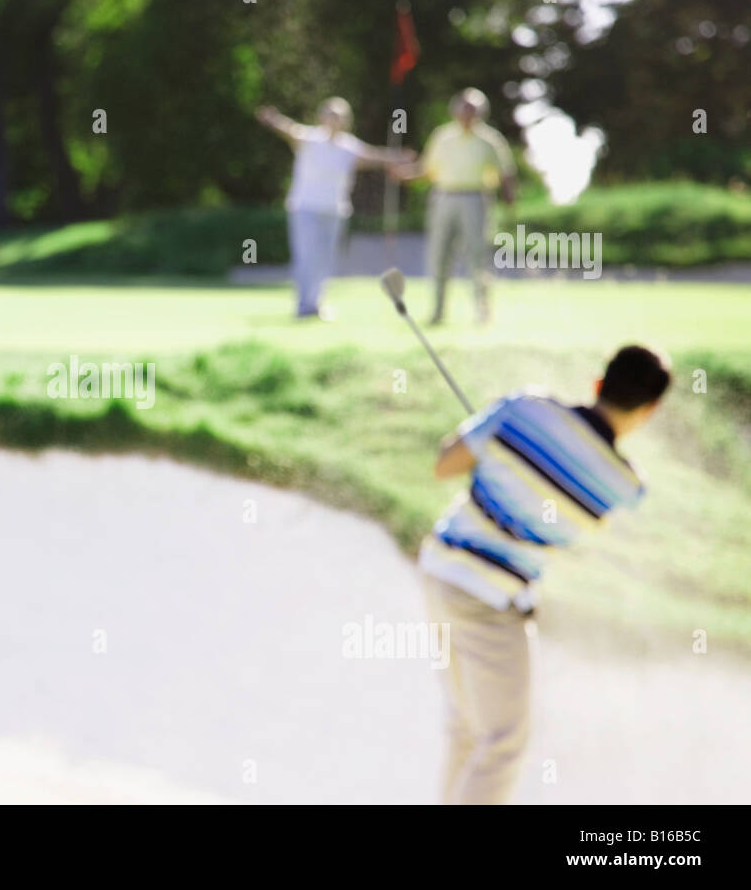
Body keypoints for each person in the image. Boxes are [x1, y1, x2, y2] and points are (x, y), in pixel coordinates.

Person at [418, 344, 671, 804]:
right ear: (649, 410)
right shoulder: (626, 485)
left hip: (440, 571)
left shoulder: (524, 407)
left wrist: (485, 436)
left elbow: (445, 464)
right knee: (504, 743)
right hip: (489, 600)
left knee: (470, 728)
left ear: (598, 382)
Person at [256, 98, 413, 320]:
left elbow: (374, 156)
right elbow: (288, 129)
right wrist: (273, 119)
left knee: (325, 259)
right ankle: (304, 306)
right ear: (321, 117)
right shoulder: (308, 138)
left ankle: (316, 302)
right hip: (305, 208)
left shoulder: (349, 146)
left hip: (335, 211)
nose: (335, 120)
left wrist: (398, 157)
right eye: (330, 114)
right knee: (306, 256)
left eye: (339, 116)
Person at [394, 87, 516, 325]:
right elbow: (427, 169)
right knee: (439, 255)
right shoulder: (443, 136)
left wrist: (510, 200)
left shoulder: (489, 140)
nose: (468, 114)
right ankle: (438, 312)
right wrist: (404, 175)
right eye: (464, 108)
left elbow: (506, 174)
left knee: (476, 256)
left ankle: (482, 311)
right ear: (455, 110)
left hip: (475, 198)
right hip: (444, 197)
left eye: (473, 109)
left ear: (481, 112)